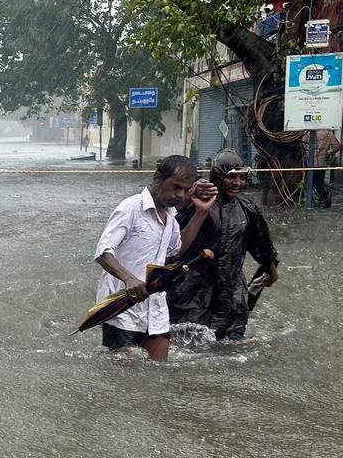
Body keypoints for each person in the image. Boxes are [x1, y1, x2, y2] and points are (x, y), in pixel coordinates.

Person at [94, 155, 216, 361]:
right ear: (157, 178)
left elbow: (176, 250)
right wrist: (129, 278)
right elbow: (103, 251)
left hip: (155, 307)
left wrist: (201, 212)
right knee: (126, 370)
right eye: (175, 187)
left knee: (158, 370)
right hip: (122, 306)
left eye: (186, 190)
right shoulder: (131, 208)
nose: (180, 195)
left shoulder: (170, 215)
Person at [168, 149, 278, 342]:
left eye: (242, 178)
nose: (237, 183)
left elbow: (261, 243)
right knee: (192, 348)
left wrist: (271, 270)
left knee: (233, 348)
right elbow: (172, 234)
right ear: (217, 176)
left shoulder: (247, 208)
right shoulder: (197, 203)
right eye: (231, 177)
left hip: (233, 298)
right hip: (194, 297)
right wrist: (192, 194)